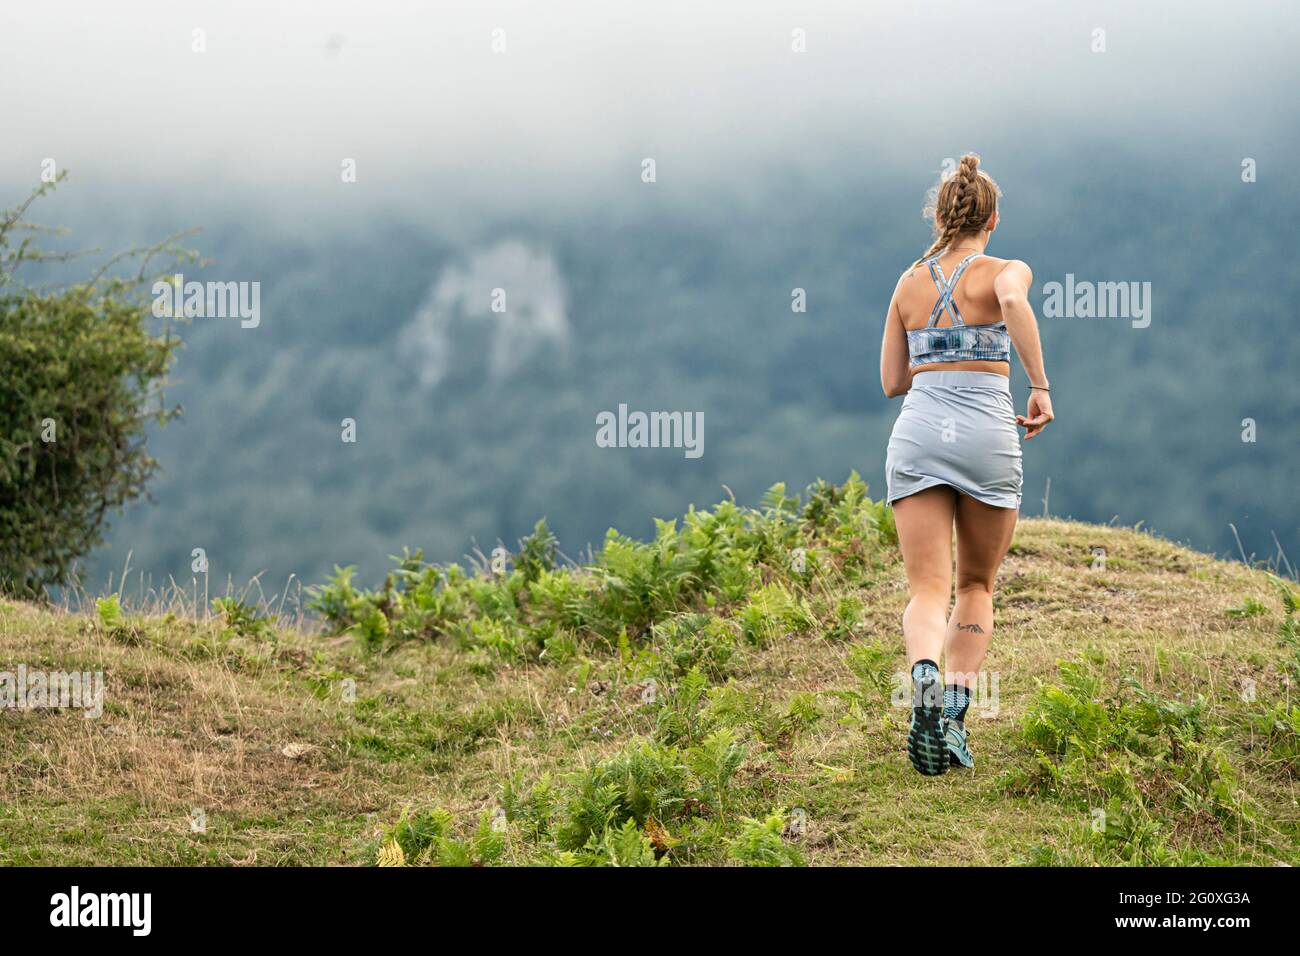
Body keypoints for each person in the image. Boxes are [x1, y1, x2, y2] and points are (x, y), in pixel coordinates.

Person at [878, 153, 1054, 775]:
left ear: (941, 215)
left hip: (921, 429)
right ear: (994, 219)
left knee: (926, 589)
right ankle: (951, 712)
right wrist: (1039, 385)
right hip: (985, 430)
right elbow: (1012, 299)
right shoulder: (1007, 269)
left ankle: (921, 675)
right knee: (976, 585)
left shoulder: (907, 283)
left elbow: (892, 381)